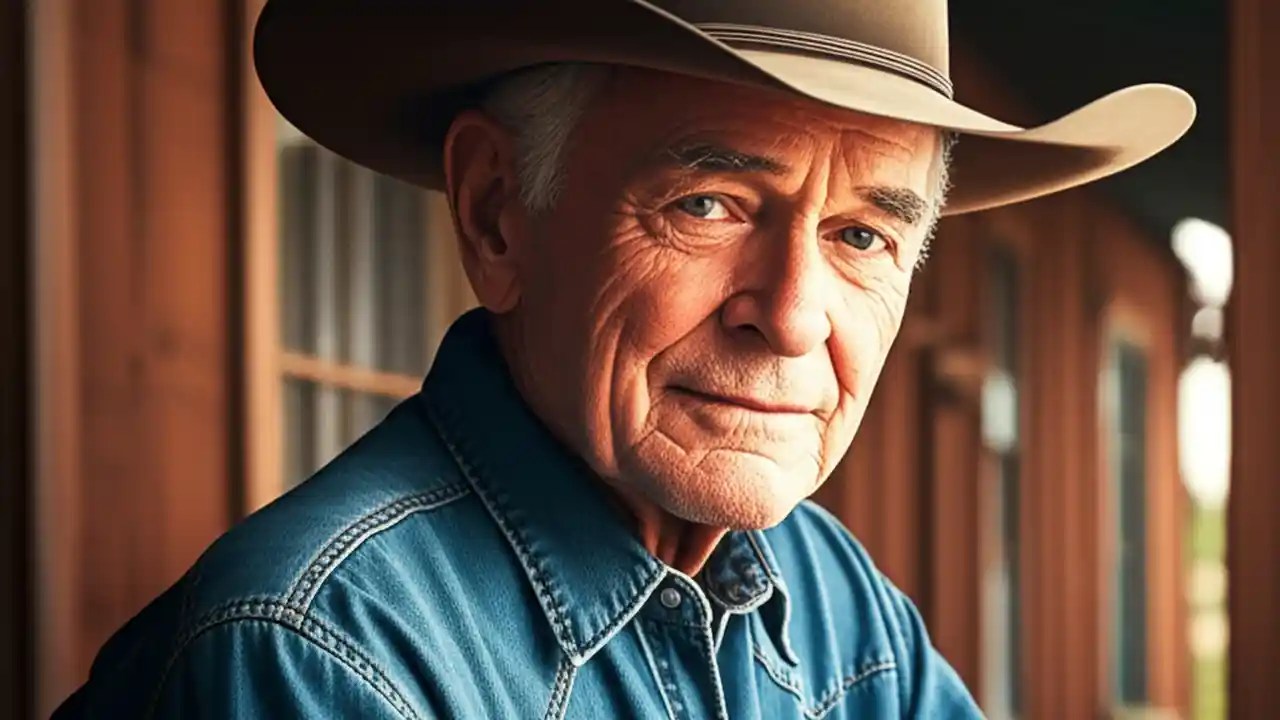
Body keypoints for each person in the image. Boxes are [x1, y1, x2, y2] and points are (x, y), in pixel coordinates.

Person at [55, 1, 1193, 717]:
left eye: (861, 237)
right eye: (707, 203)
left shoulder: (836, 599)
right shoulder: (321, 650)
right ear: (499, 213)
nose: (794, 318)